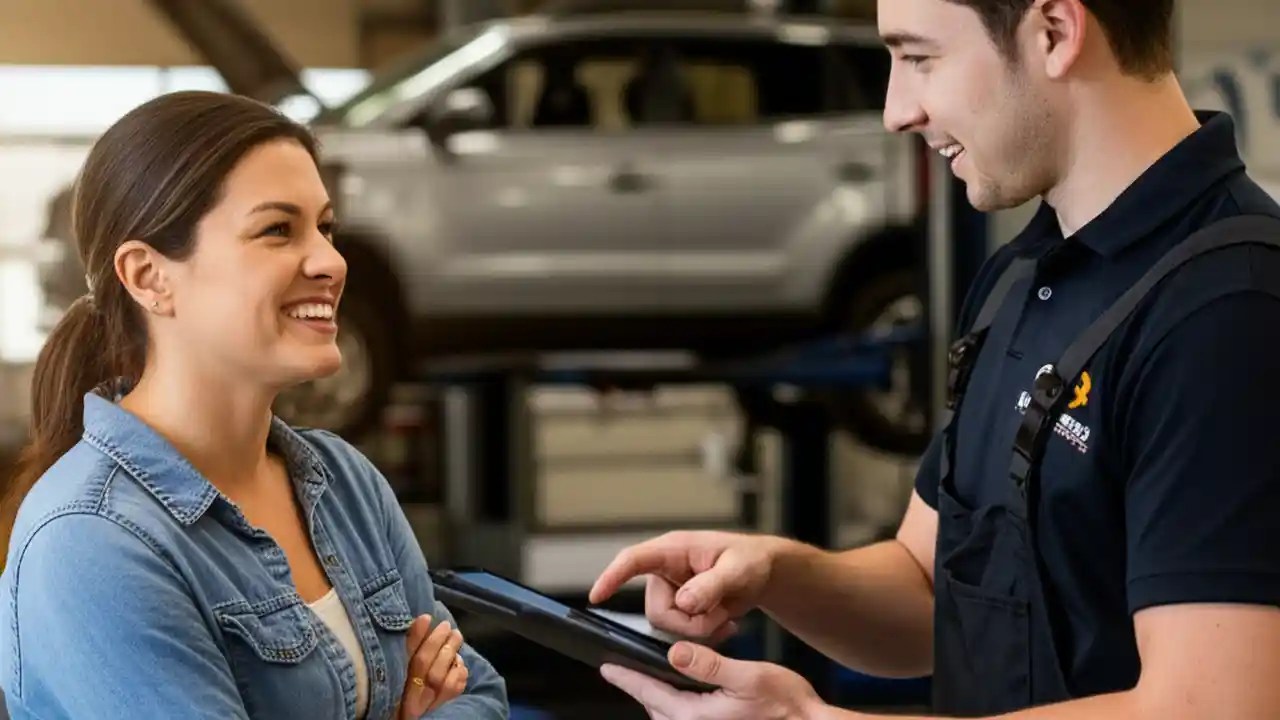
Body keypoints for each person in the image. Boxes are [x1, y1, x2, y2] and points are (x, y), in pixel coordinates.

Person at [589, 0, 1280, 718]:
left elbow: (1215, 706)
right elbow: (931, 589)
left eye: (919, 59)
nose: (896, 111)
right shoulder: (1025, 274)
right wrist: (771, 574)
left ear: (1054, 31)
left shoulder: (1229, 312)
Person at [0, 91, 509, 720]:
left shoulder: (346, 483)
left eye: (326, 227)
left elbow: (480, 695)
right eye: (277, 230)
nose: (331, 261)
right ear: (149, 277)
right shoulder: (93, 540)